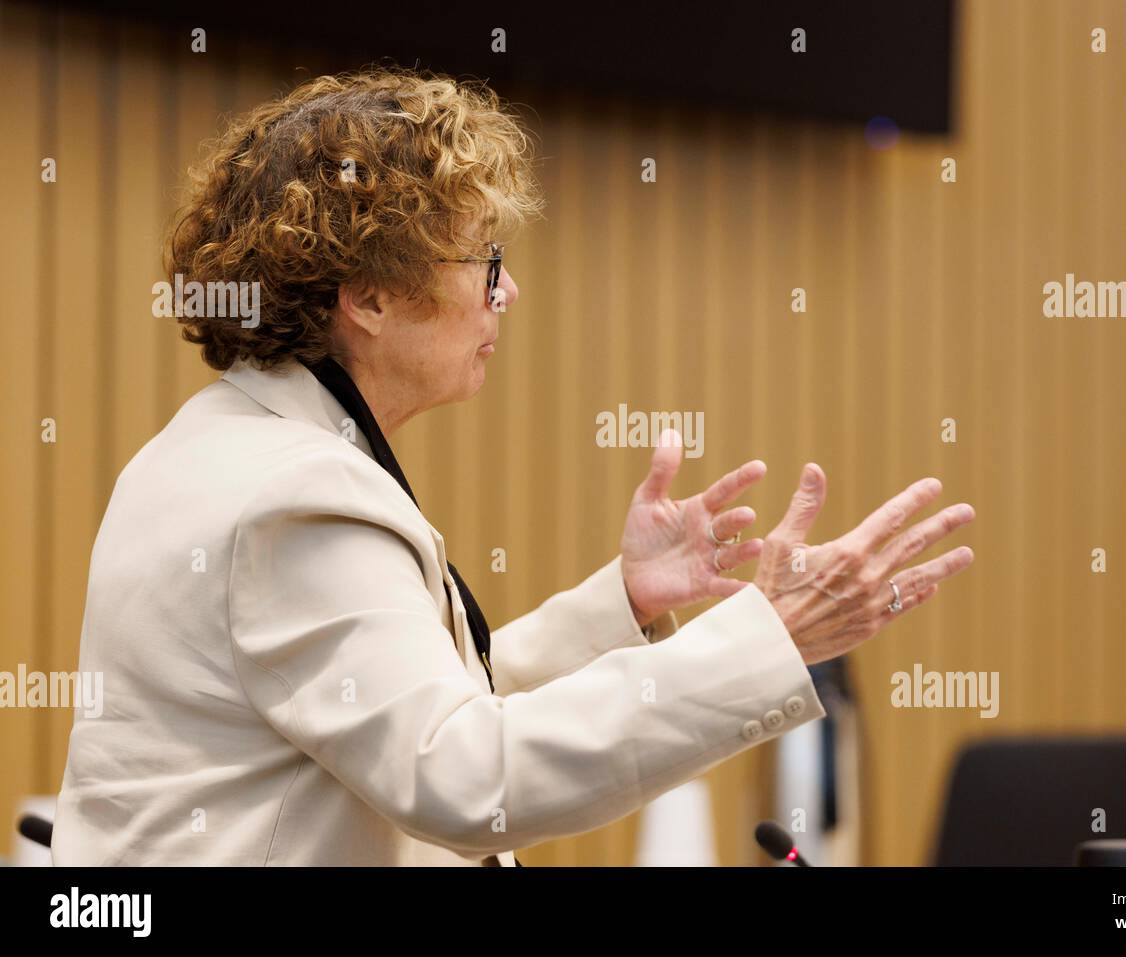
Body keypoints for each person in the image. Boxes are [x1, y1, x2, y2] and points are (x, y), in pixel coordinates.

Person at [52, 69, 974, 866]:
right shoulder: (295, 495)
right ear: (369, 296)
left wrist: (621, 605)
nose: (508, 290)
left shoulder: (214, 446)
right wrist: (768, 640)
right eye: (485, 260)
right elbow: (462, 777)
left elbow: (406, 710)